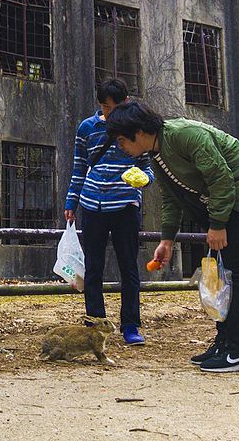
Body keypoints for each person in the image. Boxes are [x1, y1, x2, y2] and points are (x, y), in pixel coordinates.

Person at [106, 101, 239, 373]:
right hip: (224, 200)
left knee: (235, 269)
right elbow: (172, 198)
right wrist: (167, 239)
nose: (121, 147)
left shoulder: (184, 135)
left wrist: (218, 224)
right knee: (222, 273)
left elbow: (221, 178)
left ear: (139, 132)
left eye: (123, 140)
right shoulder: (156, 154)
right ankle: (225, 343)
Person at [64, 79, 155, 346]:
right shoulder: (87, 129)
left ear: (124, 103)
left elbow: (149, 170)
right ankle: (95, 324)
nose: (107, 112)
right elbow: (79, 167)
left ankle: (131, 325)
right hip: (93, 205)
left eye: (112, 107)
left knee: (129, 267)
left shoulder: (136, 131)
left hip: (126, 206)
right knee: (93, 268)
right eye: (103, 106)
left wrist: (143, 180)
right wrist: (72, 202)